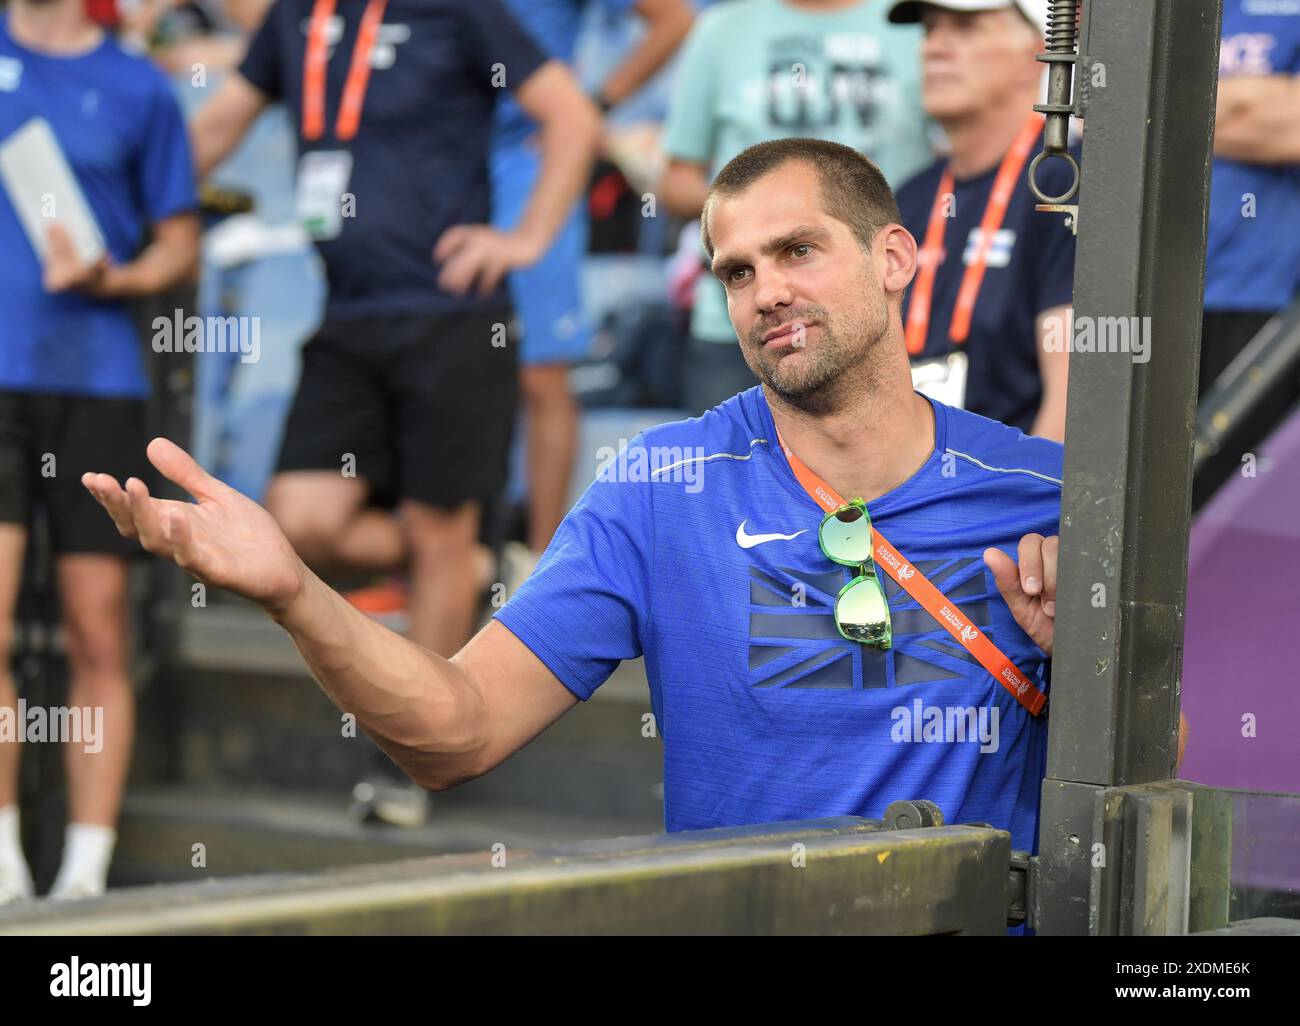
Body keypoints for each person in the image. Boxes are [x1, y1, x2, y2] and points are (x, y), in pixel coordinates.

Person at [86, 135, 1110, 859]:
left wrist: (1086, 659)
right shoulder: (657, 490)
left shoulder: (1044, 491)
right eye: (736, 271)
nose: (765, 293)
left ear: (893, 259)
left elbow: (1157, 765)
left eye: (797, 251)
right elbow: (460, 729)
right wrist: (295, 592)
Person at [187, 0, 602, 824]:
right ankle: (472, 560)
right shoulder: (295, 17)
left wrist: (522, 240)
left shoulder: (461, 9)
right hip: (347, 317)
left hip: (452, 314)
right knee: (301, 521)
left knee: (437, 535)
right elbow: (212, 129)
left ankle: (411, 764)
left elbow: (574, 118)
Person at [0, 0, 200, 902]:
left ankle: (84, 871)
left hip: (98, 383)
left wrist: (116, 276)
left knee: (95, 633)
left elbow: (179, 249)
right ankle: (4, 864)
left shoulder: (137, 85)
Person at [491, 0, 694, 579]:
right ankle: (448, 555)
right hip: (440, 155)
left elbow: (673, 18)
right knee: (436, 356)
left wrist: (589, 107)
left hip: (533, 159)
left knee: (542, 371)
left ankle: (541, 567)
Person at [659, 0, 933, 414]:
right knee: (730, 474)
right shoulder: (720, 31)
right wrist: (759, 226)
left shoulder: (916, 20)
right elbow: (676, 178)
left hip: (887, 311)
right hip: (740, 329)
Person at [888, 0, 1076, 441]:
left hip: (1015, 493)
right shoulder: (911, 196)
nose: (934, 47)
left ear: (1038, 50)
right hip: (910, 485)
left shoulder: (1065, 184)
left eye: (965, 27)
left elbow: (1073, 407)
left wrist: (1030, 506)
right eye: (931, 29)